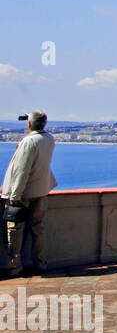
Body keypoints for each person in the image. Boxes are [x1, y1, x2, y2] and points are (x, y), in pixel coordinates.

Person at [2, 110, 57, 276]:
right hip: (41, 190)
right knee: (37, 228)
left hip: (25, 193)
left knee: (15, 230)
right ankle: (40, 262)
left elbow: (22, 170)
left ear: (29, 124)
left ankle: (15, 265)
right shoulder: (49, 139)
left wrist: (15, 195)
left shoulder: (29, 142)